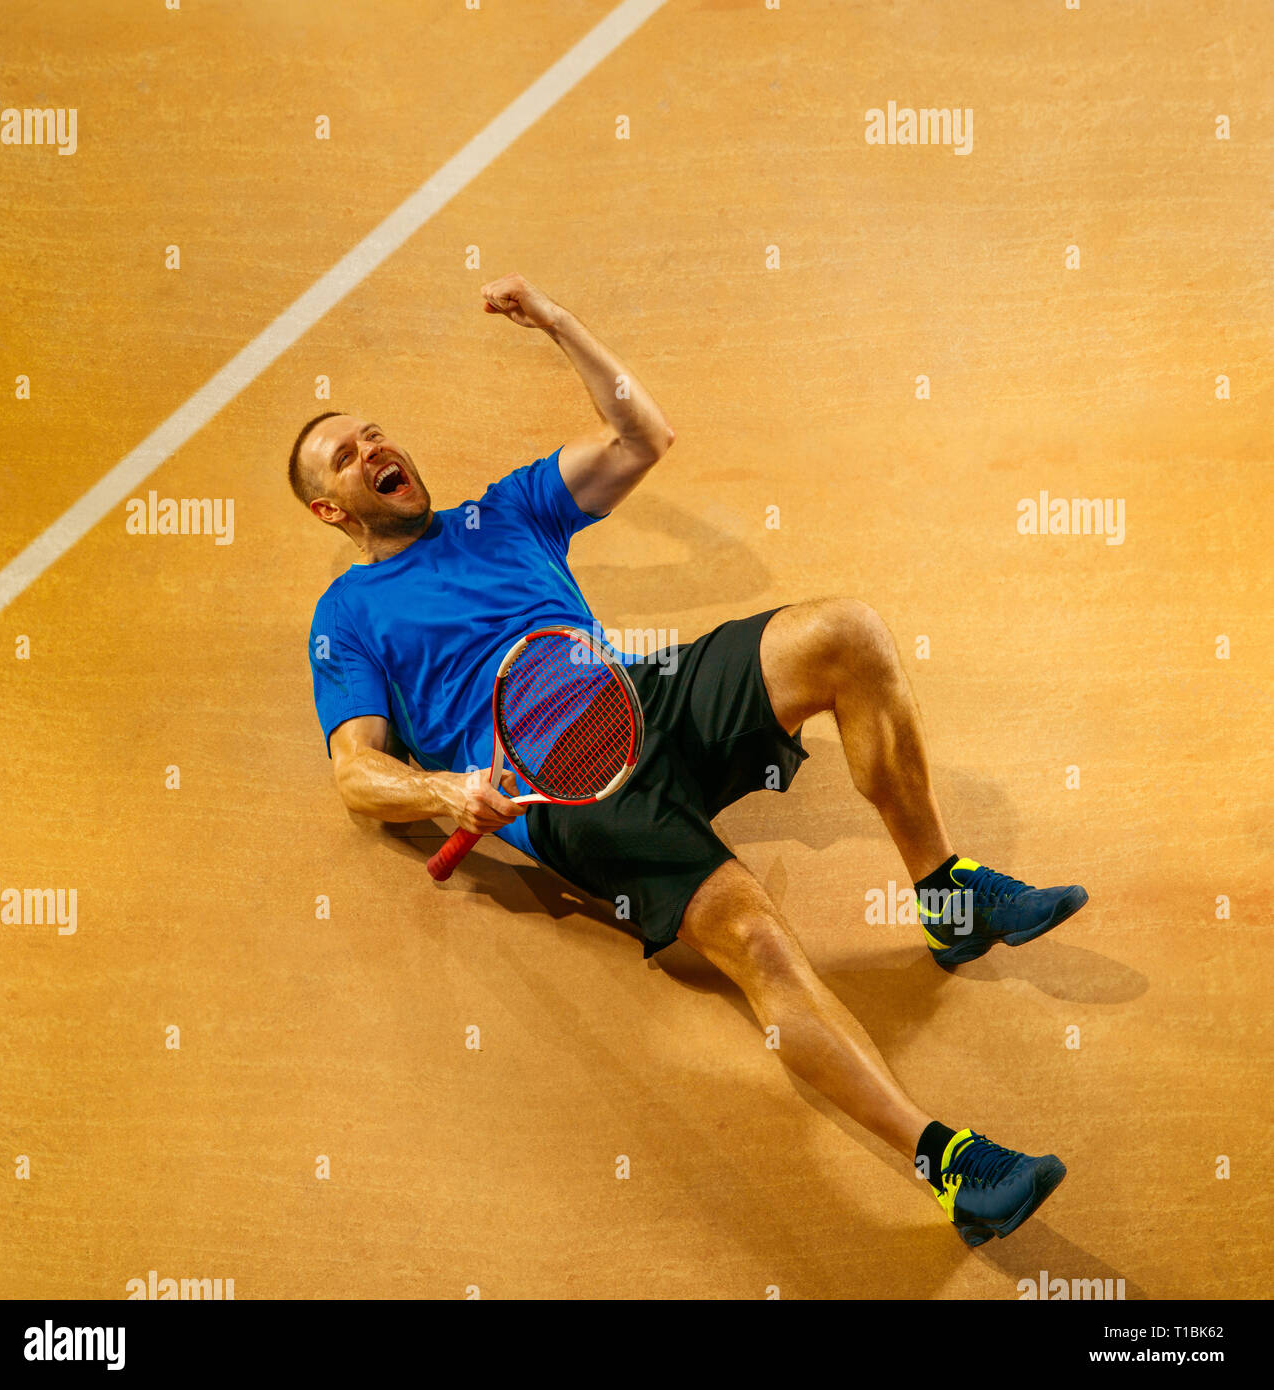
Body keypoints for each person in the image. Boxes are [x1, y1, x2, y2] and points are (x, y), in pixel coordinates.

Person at [289, 274, 1088, 1246]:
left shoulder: (502, 513)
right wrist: (444, 788)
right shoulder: (349, 616)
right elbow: (353, 772)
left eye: (374, 433)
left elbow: (643, 438)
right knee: (753, 937)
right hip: (567, 792)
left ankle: (947, 893)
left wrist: (557, 324)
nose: (372, 449)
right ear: (331, 509)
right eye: (345, 453)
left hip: (639, 696)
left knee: (846, 632)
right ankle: (947, 1162)